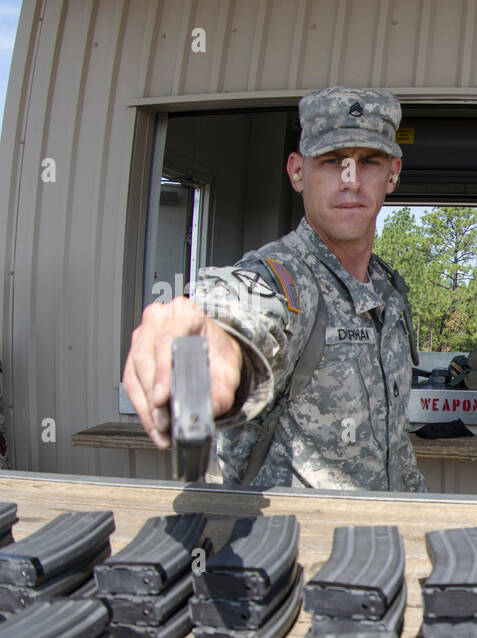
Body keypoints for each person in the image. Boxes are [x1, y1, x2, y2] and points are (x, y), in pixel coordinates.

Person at [121, 88, 428, 492]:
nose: (350, 181)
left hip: (379, 541)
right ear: (298, 172)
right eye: (332, 161)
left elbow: (392, 443)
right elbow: (239, 305)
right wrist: (212, 340)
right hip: (291, 545)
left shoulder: (387, 290)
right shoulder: (285, 277)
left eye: (368, 161)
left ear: (393, 173)